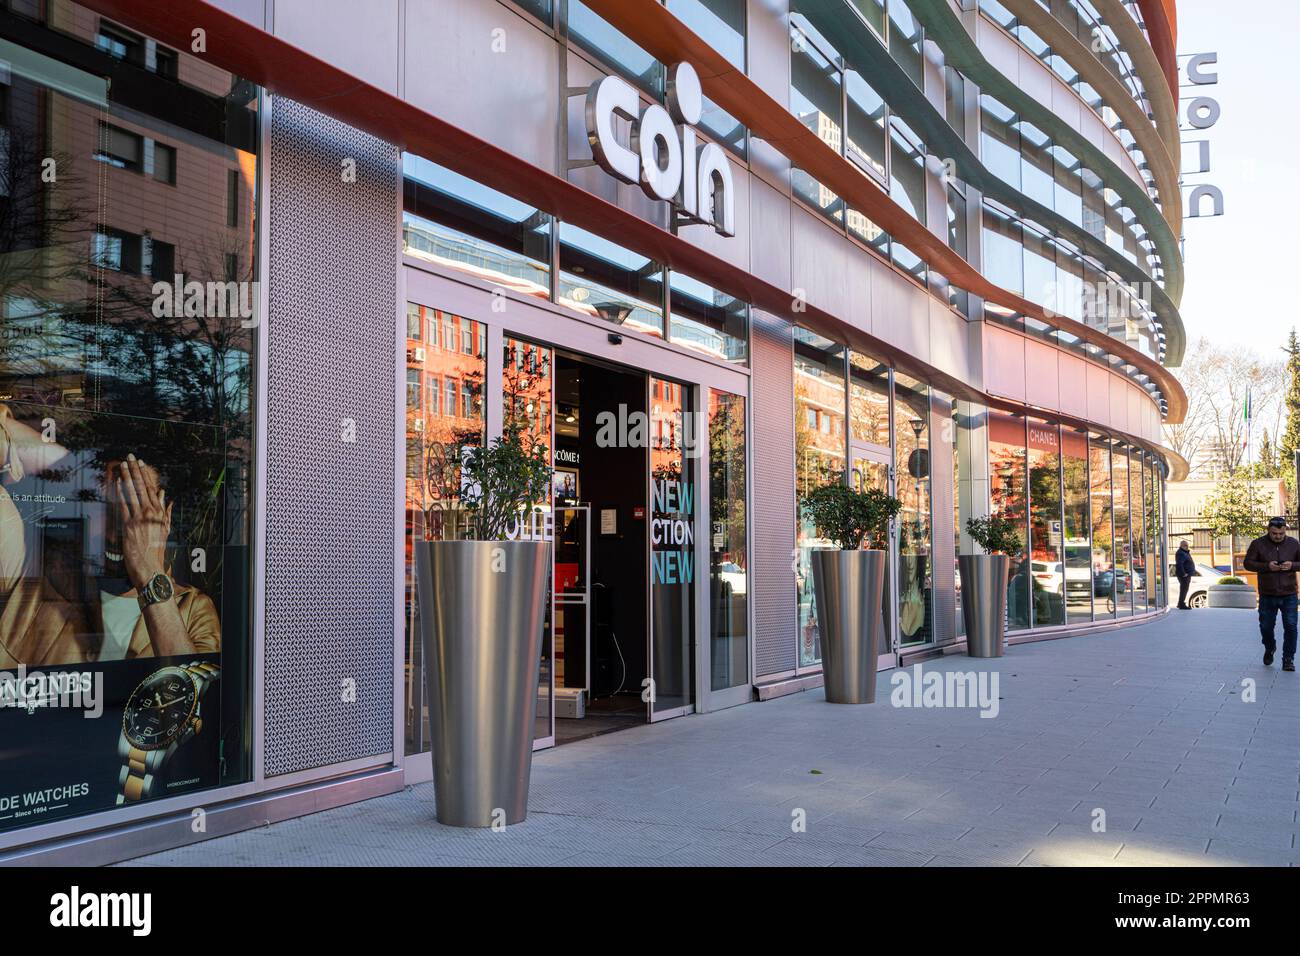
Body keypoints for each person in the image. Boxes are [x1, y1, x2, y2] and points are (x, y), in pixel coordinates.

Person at [0, 404, 220, 667]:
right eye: (106, 506)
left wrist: (149, 574)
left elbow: (193, 696)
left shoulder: (193, 612)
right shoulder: (36, 573)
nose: (118, 533)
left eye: (135, 510)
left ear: (166, 518)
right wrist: (70, 467)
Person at [1243, 517, 1300, 671]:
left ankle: (1288, 659)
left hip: (1289, 594)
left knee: (1291, 627)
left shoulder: (1294, 544)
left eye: (1281, 534)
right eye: (1274, 533)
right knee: (1266, 626)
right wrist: (1267, 566)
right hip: (1267, 594)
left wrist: (1292, 565)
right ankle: (1270, 647)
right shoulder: (1258, 544)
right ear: (1268, 530)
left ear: (1285, 531)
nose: (1278, 536)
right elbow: (1247, 563)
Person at [1174, 540, 1198, 609]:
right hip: (1184, 576)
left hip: (1187, 575)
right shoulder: (1180, 553)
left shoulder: (1185, 552)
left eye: (1187, 545)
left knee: (1184, 589)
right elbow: (1179, 564)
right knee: (1184, 590)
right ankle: (1181, 604)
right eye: (1185, 545)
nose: (1187, 547)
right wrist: (1183, 573)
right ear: (1181, 546)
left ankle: (1180, 603)